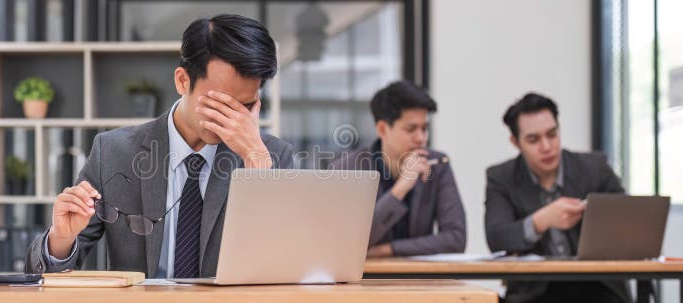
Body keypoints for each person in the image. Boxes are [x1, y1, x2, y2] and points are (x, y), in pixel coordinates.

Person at [25, 14, 294, 279]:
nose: (231, 119)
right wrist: (61, 237)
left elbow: (284, 270)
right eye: (219, 104)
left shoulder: (273, 157)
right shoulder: (113, 152)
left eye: (244, 107)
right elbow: (48, 274)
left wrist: (257, 163)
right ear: (182, 81)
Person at [484, 93, 629, 303]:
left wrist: (596, 213)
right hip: (535, 293)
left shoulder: (594, 168)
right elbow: (497, 238)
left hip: (597, 288)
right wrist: (541, 221)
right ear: (515, 142)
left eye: (552, 134)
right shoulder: (502, 178)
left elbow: (627, 217)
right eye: (533, 140)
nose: (546, 147)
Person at [330, 80, 466, 257]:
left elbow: (455, 239)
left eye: (425, 128)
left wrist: (388, 250)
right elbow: (347, 242)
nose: (421, 138)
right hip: (365, 279)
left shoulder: (438, 164)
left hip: (422, 279)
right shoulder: (348, 169)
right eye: (411, 129)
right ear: (382, 129)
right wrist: (400, 190)